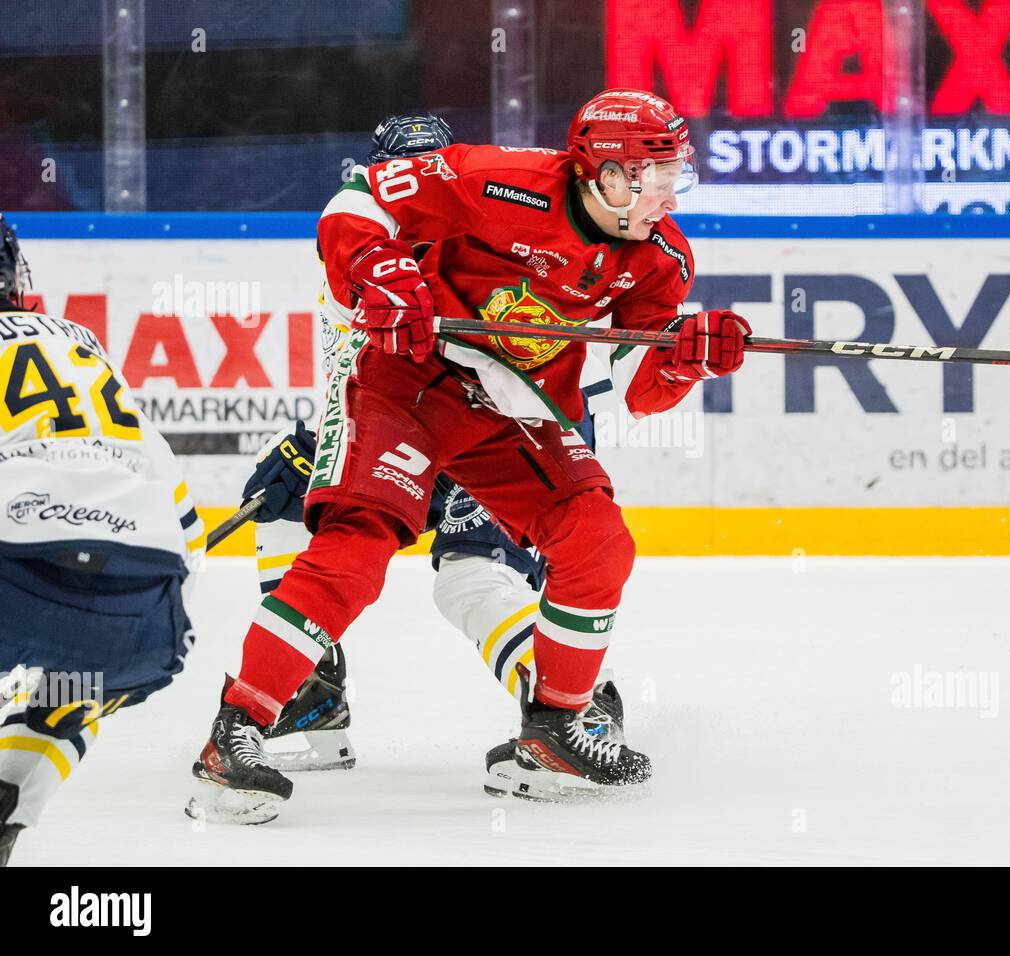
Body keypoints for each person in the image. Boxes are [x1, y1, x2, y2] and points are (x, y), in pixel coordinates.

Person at [187, 88, 751, 822]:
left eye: (678, 176)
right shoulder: (499, 179)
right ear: (608, 174)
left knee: (596, 539)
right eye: (658, 177)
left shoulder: (660, 257)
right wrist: (380, 269)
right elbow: (357, 201)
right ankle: (238, 731)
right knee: (358, 546)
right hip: (410, 381)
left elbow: (640, 389)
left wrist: (685, 360)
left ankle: (555, 730)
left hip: (509, 402)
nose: (671, 197)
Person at [247, 112, 623, 785]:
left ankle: (573, 718)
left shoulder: (507, 243)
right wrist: (318, 444)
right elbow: (358, 376)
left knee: (471, 577)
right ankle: (309, 701)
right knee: (284, 497)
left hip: (518, 430)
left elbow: (567, 383)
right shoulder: (359, 257)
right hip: (417, 422)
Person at [0, 214, 204, 862]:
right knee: (78, 682)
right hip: (142, 618)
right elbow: (187, 528)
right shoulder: (82, 345)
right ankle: (14, 789)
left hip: (14, 575)